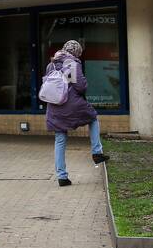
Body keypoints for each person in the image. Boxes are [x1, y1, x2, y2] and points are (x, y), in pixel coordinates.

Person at [45, 39, 109, 186]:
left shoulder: (52, 64)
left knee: (60, 139)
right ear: (76, 52)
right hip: (70, 103)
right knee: (93, 118)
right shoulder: (71, 62)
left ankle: (62, 177)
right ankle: (97, 152)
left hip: (54, 106)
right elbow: (80, 86)